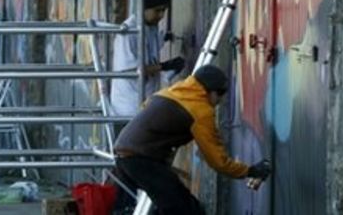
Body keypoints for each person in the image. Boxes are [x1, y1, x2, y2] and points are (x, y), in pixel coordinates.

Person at [113, 65, 271, 215]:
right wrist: (249, 171)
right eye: (220, 94)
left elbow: (146, 108)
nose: (220, 101)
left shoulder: (172, 91)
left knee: (173, 206)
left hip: (124, 155)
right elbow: (218, 162)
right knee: (186, 210)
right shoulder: (201, 110)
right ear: (210, 92)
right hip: (141, 160)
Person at [110, 0, 185, 117]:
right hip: (129, 110)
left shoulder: (151, 26)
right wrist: (164, 66)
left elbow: (149, 49)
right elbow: (134, 71)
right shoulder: (128, 33)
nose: (161, 15)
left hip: (146, 105)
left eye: (164, 10)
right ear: (144, 8)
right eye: (157, 10)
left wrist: (164, 38)